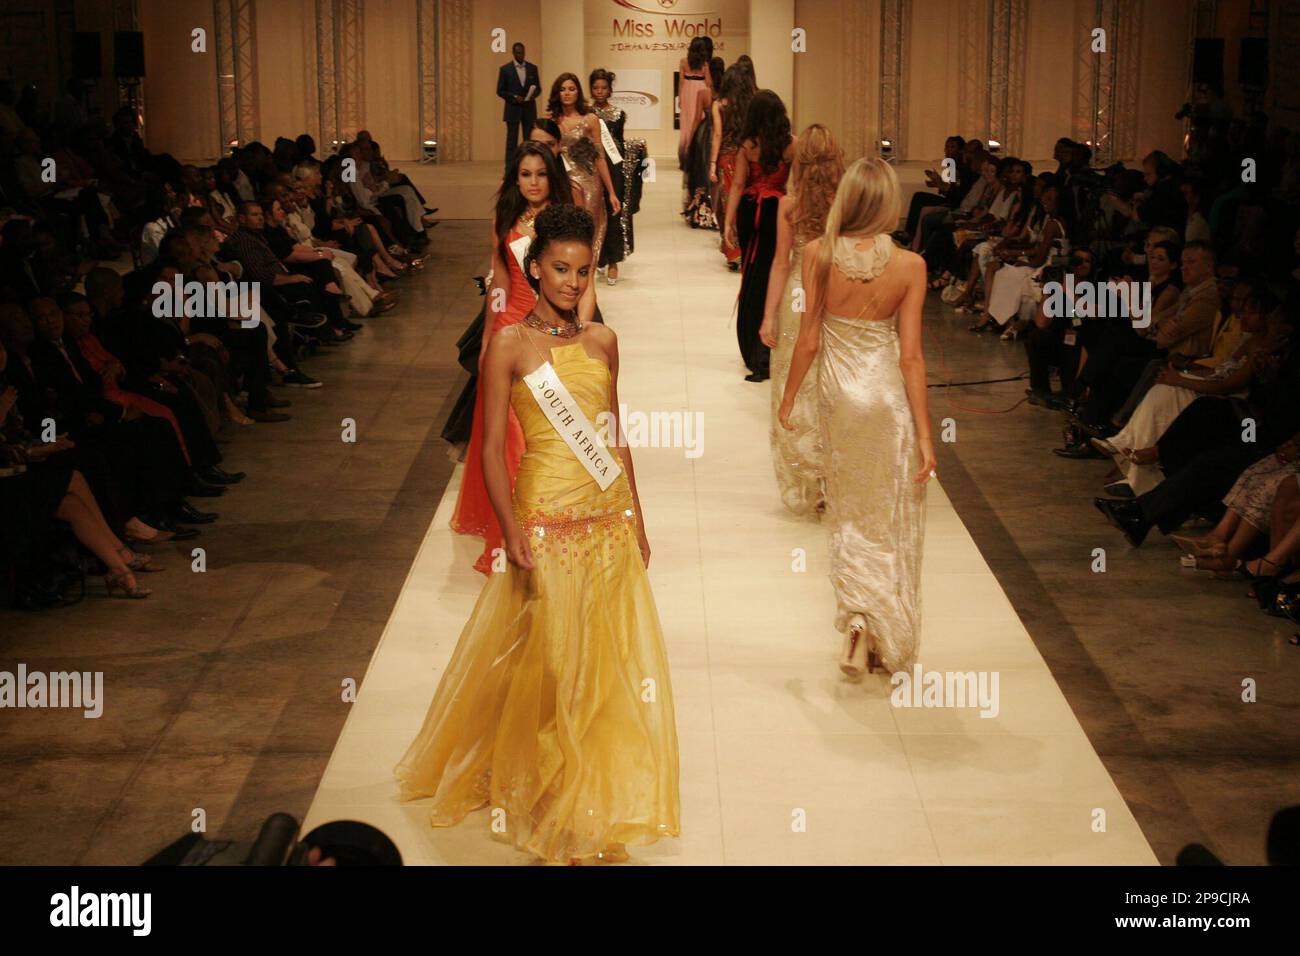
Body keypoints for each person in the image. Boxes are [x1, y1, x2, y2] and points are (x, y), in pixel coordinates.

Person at [396, 204, 680, 865]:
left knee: (600, 662)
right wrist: (509, 526)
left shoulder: (604, 342)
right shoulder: (509, 347)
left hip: (605, 518)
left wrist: (637, 516)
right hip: (545, 519)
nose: (573, 282)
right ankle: (542, 782)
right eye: (560, 268)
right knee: (550, 658)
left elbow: (615, 436)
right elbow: (491, 448)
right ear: (535, 267)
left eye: (583, 271)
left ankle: (581, 791)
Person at [778, 157, 935, 677]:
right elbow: (911, 356)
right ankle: (878, 625)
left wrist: (787, 398)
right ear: (888, 202)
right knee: (886, 517)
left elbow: (808, 339)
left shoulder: (819, 255)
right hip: (887, 399)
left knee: (846, 513)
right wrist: (927, 437)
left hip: (840, 396)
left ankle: (856, 623)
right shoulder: (911, 266)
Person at [448, 142, 587, 574]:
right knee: (508, 433)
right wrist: (490, 333)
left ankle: (547, 518)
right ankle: (509, 529)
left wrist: (578, 328)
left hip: (552, 321)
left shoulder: (564, 216)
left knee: (544, 428)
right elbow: (501, 278)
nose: (532, 183)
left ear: (552, 176)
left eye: (540, 174)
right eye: (525, 174)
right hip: (512, 323)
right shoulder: (506, 217)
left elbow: (585, 273)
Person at [759, 124, 843, 517]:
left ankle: (811, 478)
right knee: (833, 386)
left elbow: (780, 262)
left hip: (797, 297)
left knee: (797, 385)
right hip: (838, 296)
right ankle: (837, 476)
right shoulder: (846, 204)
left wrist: (768, 317)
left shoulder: (788, 205)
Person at [724, 90, 795, 382]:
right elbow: (796, 187)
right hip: (776, 213)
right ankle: (765, 349)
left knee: (751, 276)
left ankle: (753, 350)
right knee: (773, 274)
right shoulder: (791, 145)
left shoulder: (748, 145)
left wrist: (728, 222)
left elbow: (738, 185)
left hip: (751, 211)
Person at [549, 73, 621, 271]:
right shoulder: (552, 121)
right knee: (565, 233)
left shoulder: (590, 120)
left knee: (588, 233)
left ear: (579, 92)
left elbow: (599, 158)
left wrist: (612, 192)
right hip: (563, 184)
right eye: (562, 89)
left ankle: (586, 279)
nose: (567, 93)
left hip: (590, 184)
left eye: (571, 89)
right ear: (557, 93)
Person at [497, 42, 541, 170]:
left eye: (522, 52)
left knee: (529, 140)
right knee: (512, 141)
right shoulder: (505, 69)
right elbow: (500, 91)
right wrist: (514, 97)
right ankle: (509, 169)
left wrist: (532, 95)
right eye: (518, 52)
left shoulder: (533, 68)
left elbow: (538, 88)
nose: (520, 55)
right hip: (513, 109)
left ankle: (529, 166)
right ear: (513, 53)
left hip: (529, 109)